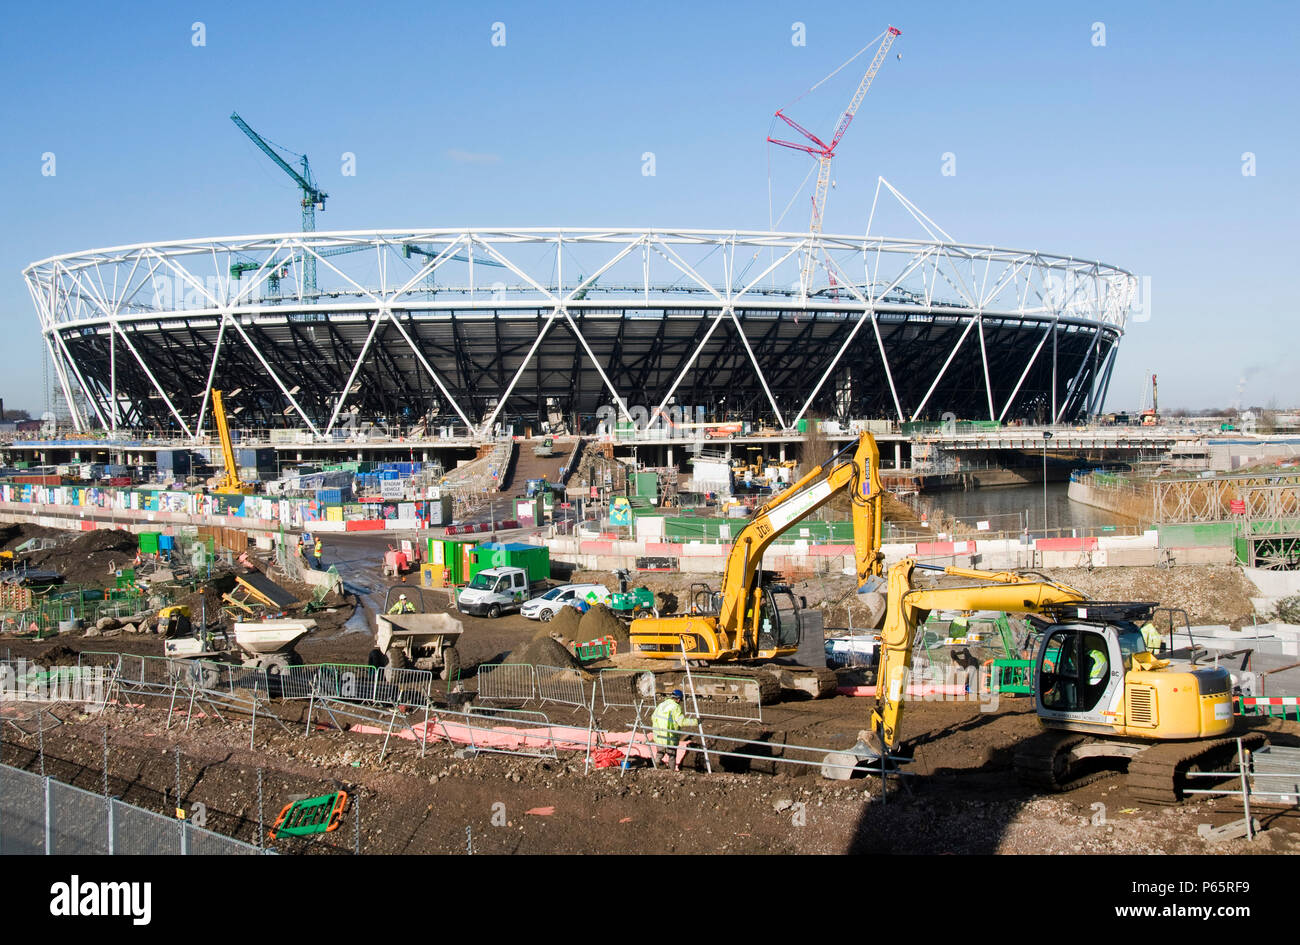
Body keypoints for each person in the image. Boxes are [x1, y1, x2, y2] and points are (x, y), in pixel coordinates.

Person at [651, 689, 697, 771]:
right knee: (672, 756)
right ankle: (671, 772)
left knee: (659, 753)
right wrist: (695, 721)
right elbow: (681, 722)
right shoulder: (676, 707)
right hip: (670, 737)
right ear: (679, 699)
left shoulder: (661, 705)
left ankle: (657, 765)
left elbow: (653, 717)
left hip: (658, 736)